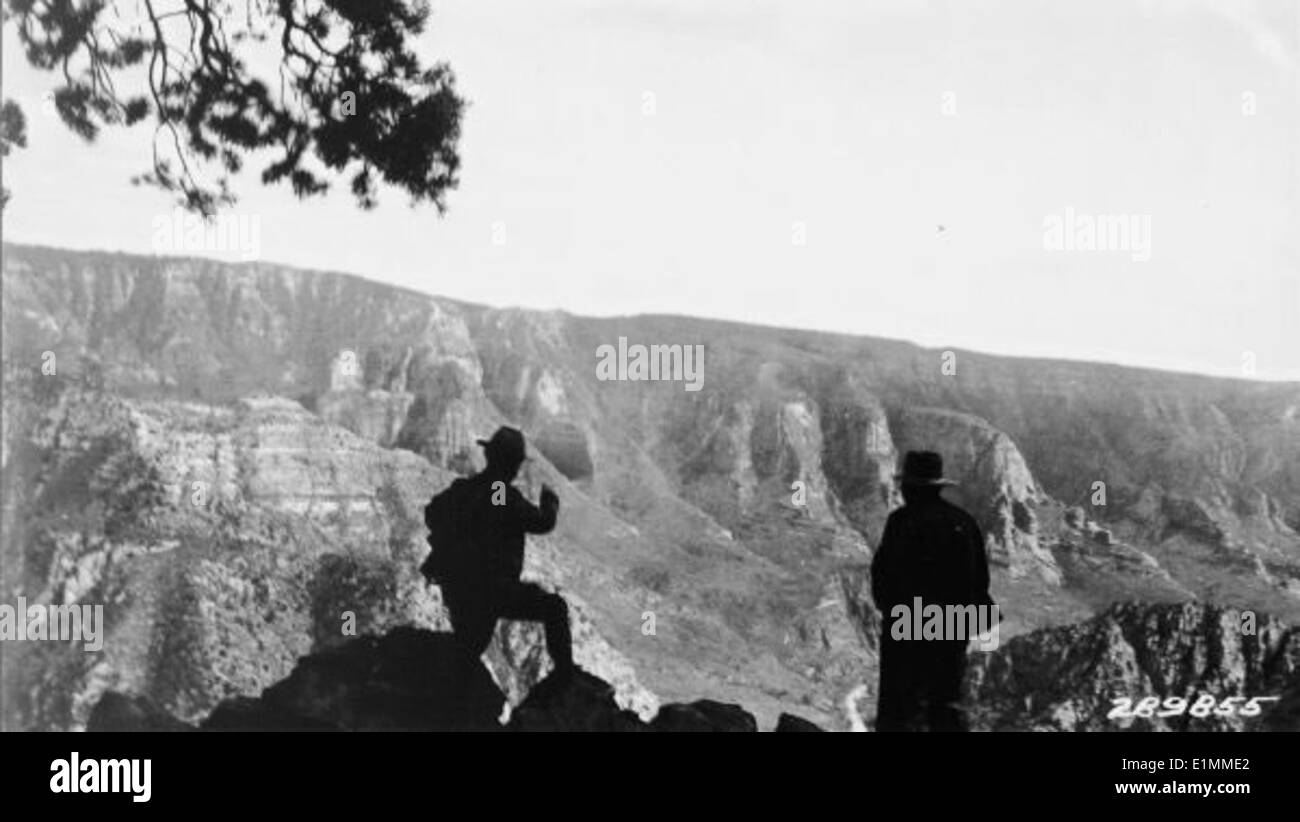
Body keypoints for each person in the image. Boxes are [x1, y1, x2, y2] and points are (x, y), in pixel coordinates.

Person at [425, 426, 574, 683]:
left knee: (468, 651)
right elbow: (542, 523)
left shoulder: (463, 490)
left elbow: (433, 513)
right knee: (554, 608)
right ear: (513, 464)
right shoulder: (500, 493)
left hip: (460, 589)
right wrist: (550, 501)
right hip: (492, 590)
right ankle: (566, 676)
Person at [870, 450, 994, 731]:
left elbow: (882, 578)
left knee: (900, 708)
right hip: (952, 627)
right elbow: (980, 581)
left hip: (907, 624)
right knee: (945, 703)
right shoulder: (964, 521)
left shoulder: (901, 521)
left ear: (910, 486)